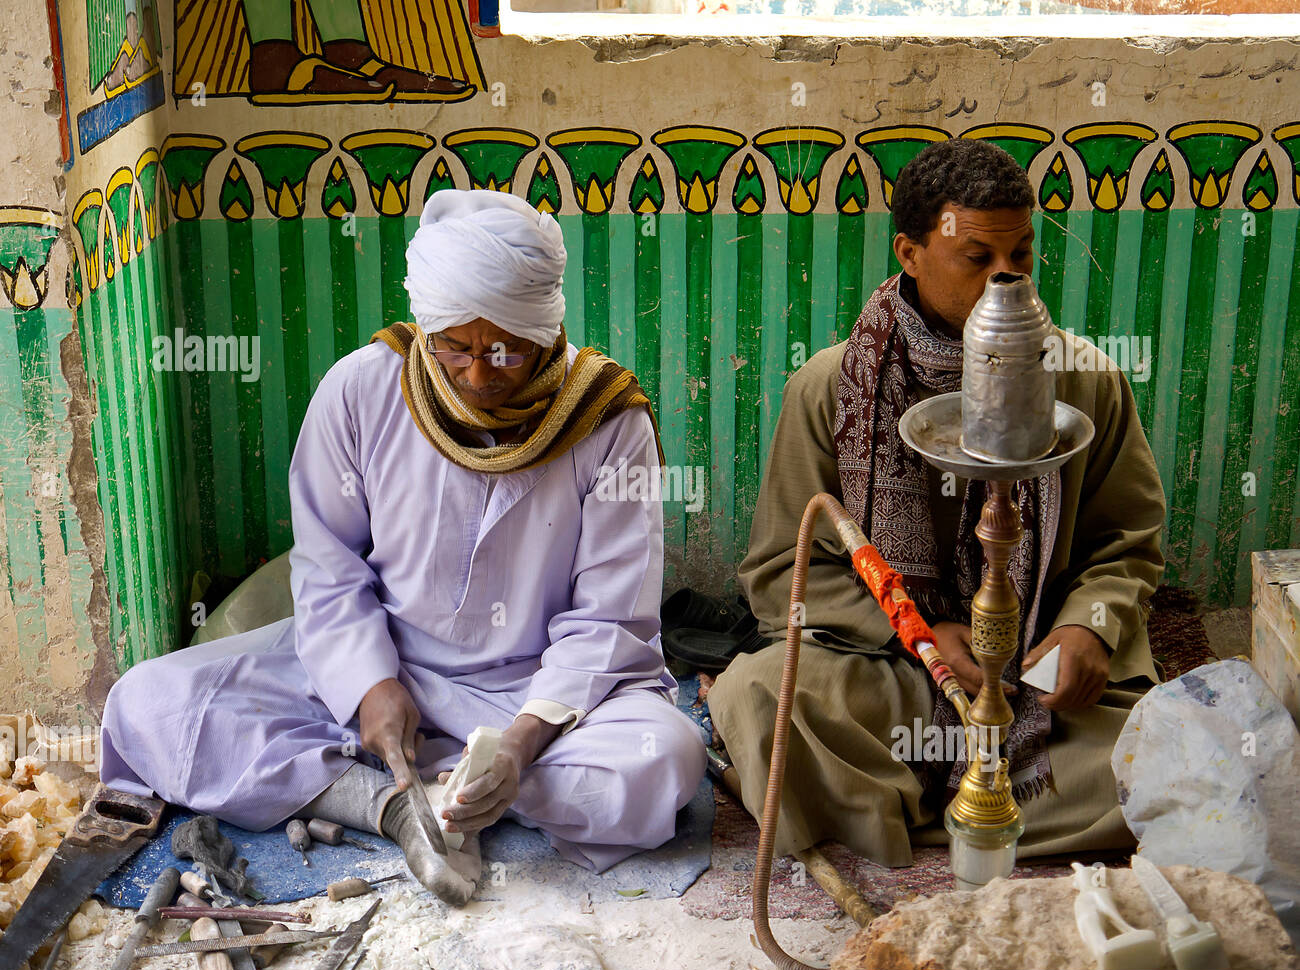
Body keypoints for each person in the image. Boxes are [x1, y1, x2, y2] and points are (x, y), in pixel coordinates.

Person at [100, 189, 706, 905]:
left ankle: (457, 790)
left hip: (537, 693)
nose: (478, 374)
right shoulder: (361, 389)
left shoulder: (606, 420)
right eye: (456, 347)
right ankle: (389, 804)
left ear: (545, 330)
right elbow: (328, 569)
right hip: (389, 663)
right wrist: (369, 685)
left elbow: (610, 620)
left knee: (667, 760)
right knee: (147, 702)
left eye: (505, 349)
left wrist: (517, 746)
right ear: (426, 326)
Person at [708, 139, 1166, 867]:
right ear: (911, 253)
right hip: (892, 674)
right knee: (759, 700)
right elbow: (779, 577)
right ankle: (981, 806)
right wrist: (919, 636)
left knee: (1175, 757)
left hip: (1041, 680)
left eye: (1021, 254)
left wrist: (1091, 627)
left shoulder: (1086, 380)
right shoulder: (831, 389)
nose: (1007, 277)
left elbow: (1128, 542)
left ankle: (886, 806)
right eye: (977, 257)